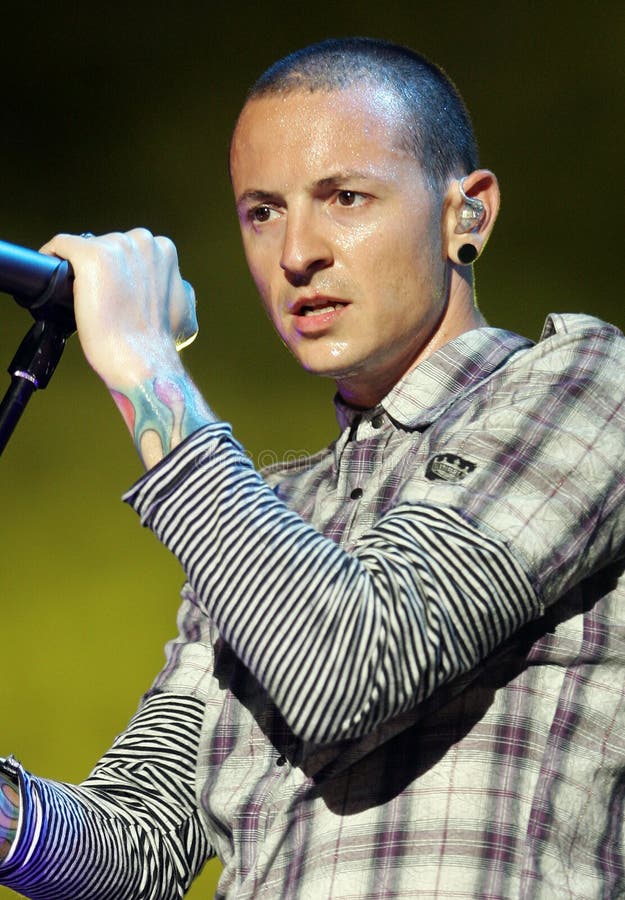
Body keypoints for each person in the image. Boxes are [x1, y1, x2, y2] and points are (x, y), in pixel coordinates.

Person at [1, 35, 624, 899]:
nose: (297, 253)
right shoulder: (268, 518)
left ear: (466, 212)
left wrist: (144, 363)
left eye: (345, 198)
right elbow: (131, 846)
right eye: (262, 211)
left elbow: (348, 665)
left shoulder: (588, 381)